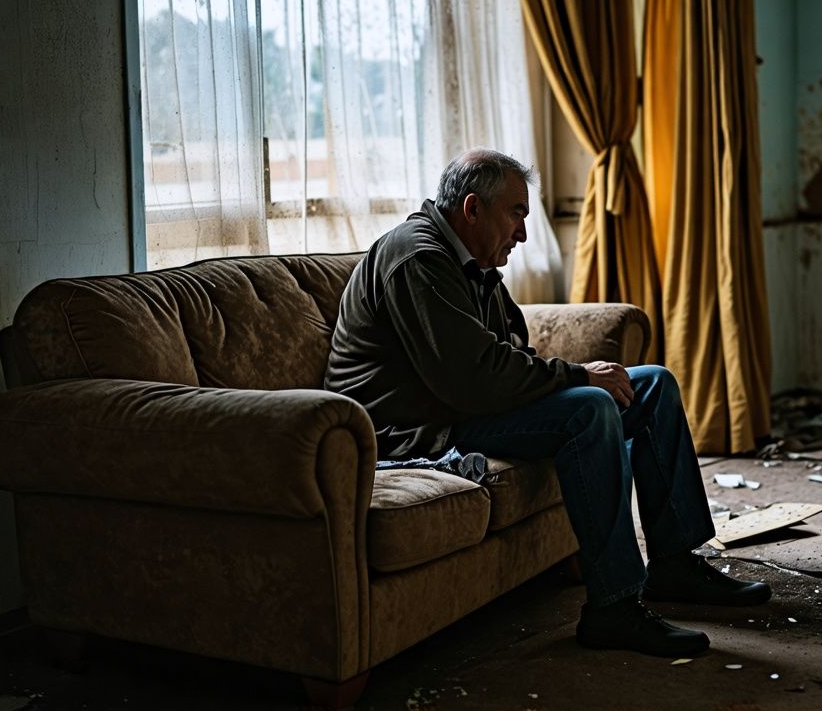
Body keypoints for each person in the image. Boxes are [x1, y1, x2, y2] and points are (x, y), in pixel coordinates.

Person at [325, 148, 770, 657]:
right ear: (472, 209)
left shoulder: (469, 260)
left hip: (461, 407)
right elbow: (473, 380)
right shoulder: (419, 257)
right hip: (411, 428)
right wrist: (578, 375)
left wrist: (571, 378)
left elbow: (510, 350)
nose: (523, 232)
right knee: (591, 408)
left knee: (652, 385)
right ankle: (614, 606)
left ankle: (672, 563)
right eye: (516, 213)